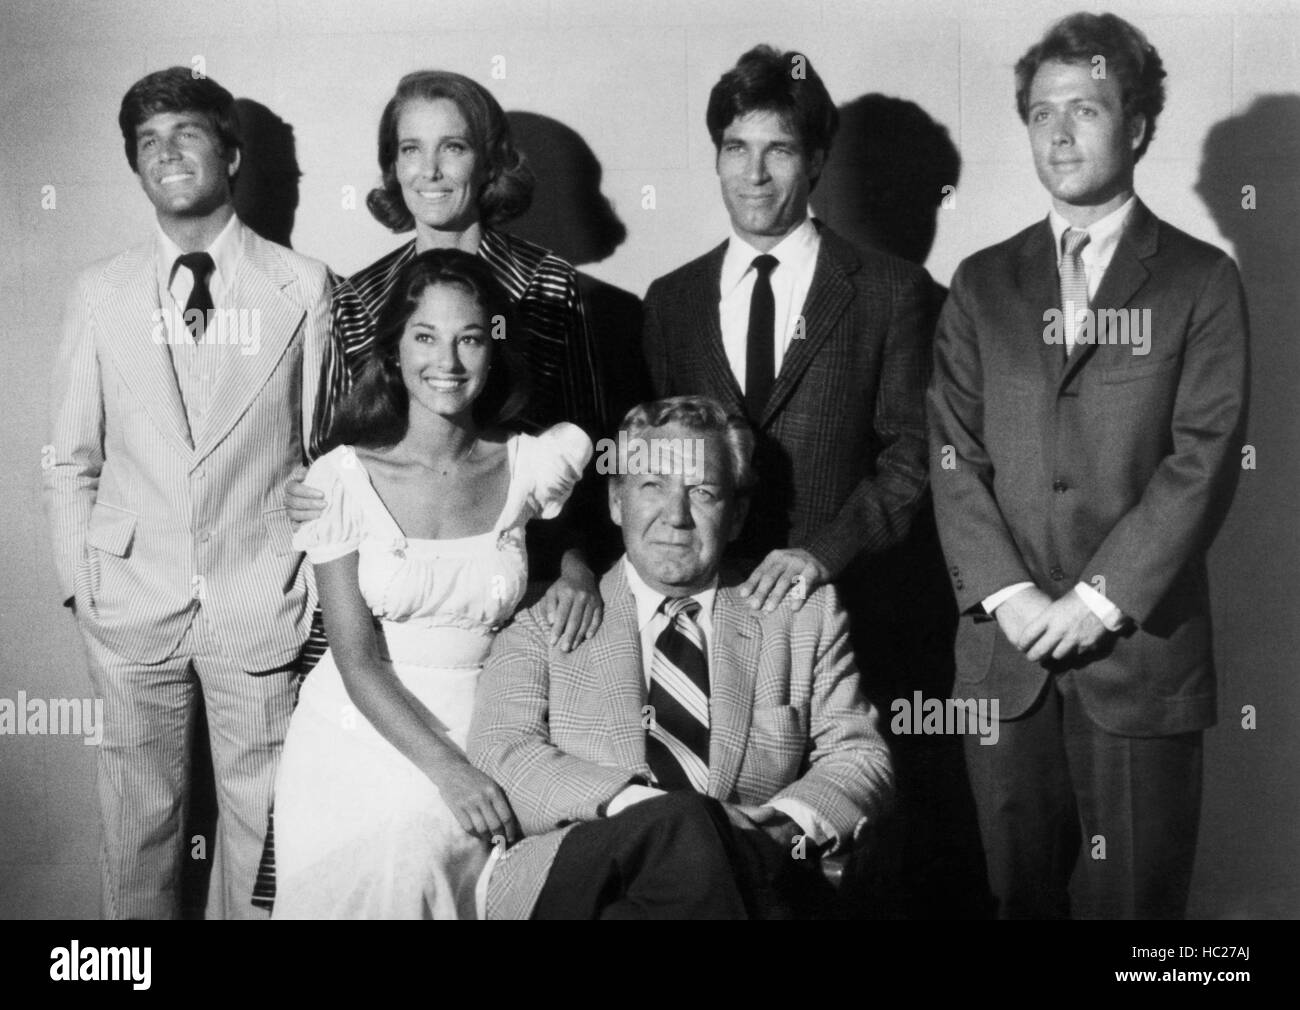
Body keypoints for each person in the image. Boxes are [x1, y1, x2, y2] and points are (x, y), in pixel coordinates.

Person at [927, 12, 1249, 919]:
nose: (1060, 133)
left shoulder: (1201, 281)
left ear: (1139, 124)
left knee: (1138, 926)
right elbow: (953, 454)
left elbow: (1205, 459)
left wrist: (1095, 601)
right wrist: (1014, 598)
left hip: (1139, 661)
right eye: (1040, 113)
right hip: (1005, 661)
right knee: (1015, 903)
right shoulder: (982, 285)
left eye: (1086, 109)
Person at [42, 67, 331, 919]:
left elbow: (324, 450)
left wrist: (304, 576)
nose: (166, 154)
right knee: (138, 826)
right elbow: (71, 458)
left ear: (232, 154)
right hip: (131, 602)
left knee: (266, 825)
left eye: (187, 134)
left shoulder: (303, 285)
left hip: (262, 597)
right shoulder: (101, 292)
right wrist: (83, 584)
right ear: (135, 167)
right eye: (147, 143)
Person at [468, 395, 893, 919]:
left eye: (703, 492)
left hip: (746, 870)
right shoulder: (544, 622)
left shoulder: (800, 616)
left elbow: (860, 756)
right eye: (652, 486)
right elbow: (502, 753)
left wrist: (780, 827)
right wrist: (654, 813)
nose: (676, 516)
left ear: (736, 515)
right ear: (617, 502)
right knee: (687, 824)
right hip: (582, 872)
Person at [271, 249, 592, 918]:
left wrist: (578, 572)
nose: (447, 361)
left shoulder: (534, 462)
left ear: (493, 350)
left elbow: (582, 535)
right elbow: (356, 660)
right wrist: (447, 770)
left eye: (469, 338)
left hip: (489, 719)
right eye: (425, 337)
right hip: (364, 725)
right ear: (393, 352)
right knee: (402, 849)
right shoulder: (340, 479)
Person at [305, 70, 607, 647]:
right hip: (390, 602)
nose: (431, 170)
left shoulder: (546, 286)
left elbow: (588, 453)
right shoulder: (358, 299)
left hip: (523, 594)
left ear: (489, 162)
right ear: (392, 166)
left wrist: (576, 567)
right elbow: (330, 458)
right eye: (410, 149)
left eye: (454, 147)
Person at [640, 46, 932, 624]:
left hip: (849, 610)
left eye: (779, 150)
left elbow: (915, 456)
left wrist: (825, 556)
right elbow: (648, 464)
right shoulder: (671, 300)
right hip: (701, 618)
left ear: (817, 161)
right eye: (736, 149)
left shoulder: (893, 291)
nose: (753, 174)